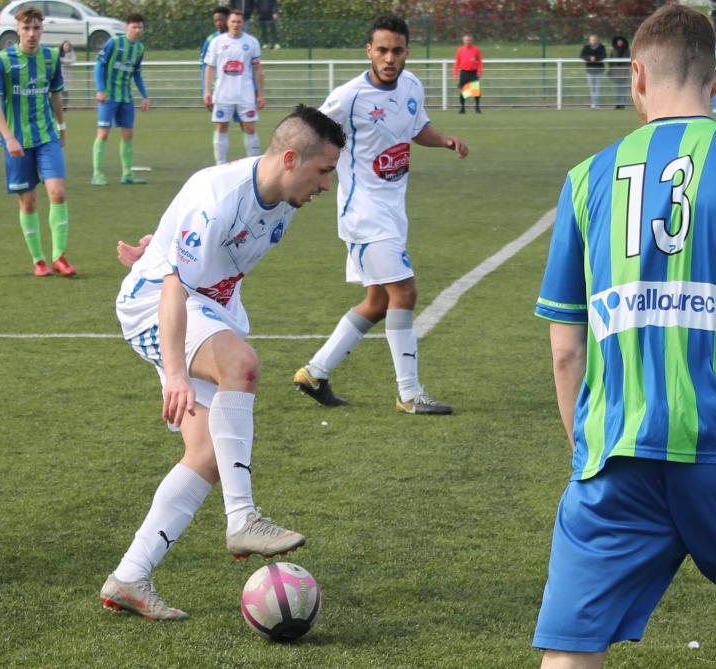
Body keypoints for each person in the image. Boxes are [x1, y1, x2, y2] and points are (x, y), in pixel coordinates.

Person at [532, 5, 716, 667]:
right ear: (715, 76)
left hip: (614, 453)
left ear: (637, 75)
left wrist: (586, 453)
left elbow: (566, 348)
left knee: (571, 653)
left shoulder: (585, 179)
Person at [101, 105, 345, 620]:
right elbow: (174, 285)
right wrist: (174, 373)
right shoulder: (220, 198)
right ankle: (243, 518)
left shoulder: (282, 198)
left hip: (206, 307)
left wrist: (157, 247)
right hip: (158, 305)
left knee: (209, 455)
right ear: (290, 159)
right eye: (323, 171)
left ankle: (129, 578)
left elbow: (189, 245)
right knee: (242, 365)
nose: (327, 185)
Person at [292, 15, 468, 415]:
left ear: (407, 52)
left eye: (397, 51)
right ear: (369, 51)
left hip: (392, 210)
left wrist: (444, 140)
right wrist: (305, 177)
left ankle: (314, 373)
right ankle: (409, 393)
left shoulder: (412, 86)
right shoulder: (350, 96)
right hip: (364, 212)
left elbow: (416, 128)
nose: (390, 58)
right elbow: (308, 133)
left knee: (376, 302)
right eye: (382, 50)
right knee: (404, 292)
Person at [0, 6, 72, 278]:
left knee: (58, 192)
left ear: (42, 29)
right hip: (18, 142)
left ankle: (59, 256)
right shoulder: (3, 60)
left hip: (47, 136)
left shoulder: (51, 58)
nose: (32, 33)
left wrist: (61, 127)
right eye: (26, 28)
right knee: (29, 202)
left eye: (36, 28)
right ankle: (39, 260)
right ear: (18, 30)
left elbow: (56, 95)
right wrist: (9, 137)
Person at [92, 14, 150, 186]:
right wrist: (100, 89)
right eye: (134, 27)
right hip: (109, 96)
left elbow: (136, 73)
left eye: (140, 27)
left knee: (128, 134)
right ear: (126, 27)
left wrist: (145, 95)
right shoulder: (114, 43)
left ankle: (127, 174)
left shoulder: (139, 48)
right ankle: (97, 174)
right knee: (103, 133)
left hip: (125, 97)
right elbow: (99, 65)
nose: (137, 30)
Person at [203, 10, 264, 165]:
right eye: (233, 21)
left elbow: (257, 69)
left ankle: (253, 164)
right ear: (228, 23)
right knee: (221, 127)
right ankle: (220, 165)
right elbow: (209, 67)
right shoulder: (217, 42)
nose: (236, 24)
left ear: (243, 23)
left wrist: (260, 94)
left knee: (250, 128)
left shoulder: (252, 42)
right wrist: (207, 91)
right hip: (223, 94)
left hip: (245, 94)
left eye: (239, 22)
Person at [453, 34, 483, 113]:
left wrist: (479, 71)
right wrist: (455, 74)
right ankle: (462, 108)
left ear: (472, 41)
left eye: (469, 40)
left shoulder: (476, 49)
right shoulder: (460, 49)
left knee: (475, 91)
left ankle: (477, 107)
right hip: (464, 72)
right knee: (463, 91)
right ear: (463, 41)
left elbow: (480, 61)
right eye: (466, 40)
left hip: (473, 72)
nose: (468, 42)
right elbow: (457, 62)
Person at [580, 34, 606, 109]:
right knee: (592, 89)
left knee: (598, 88)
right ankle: (593, 104)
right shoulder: (586, 47)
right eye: (591, 40)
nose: (593, 41)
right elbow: (581, 56)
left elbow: (603, 56)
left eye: (594, 39)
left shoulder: (601, 47)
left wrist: (595, 58)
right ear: (589, 40)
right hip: (590, 71)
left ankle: (597, 104)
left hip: (599, 71)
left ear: (597, 40)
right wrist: (589, 58)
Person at [608, 35, 630, 109]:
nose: (619, 42)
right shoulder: (613, 50)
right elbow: (610, 61)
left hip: (624, 72)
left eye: (621, 41)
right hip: (615, 72)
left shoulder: (627, 50)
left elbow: (630, 60)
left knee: (623, 88)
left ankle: (622, 103)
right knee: (616, 88)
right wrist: (611, 70)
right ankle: (617, 103)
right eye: (618, 41)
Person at [58, 40, 76, 109]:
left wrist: (63, 61)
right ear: (62, 46)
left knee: (66, 91)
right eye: (65, 45)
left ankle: (65, 106)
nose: (67, 47)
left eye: (68, 45)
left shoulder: (71, 53)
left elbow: (73, 60)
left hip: (67, 75)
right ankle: (59, 105)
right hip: (60, 75)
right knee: (59, 90)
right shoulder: (58, 52)